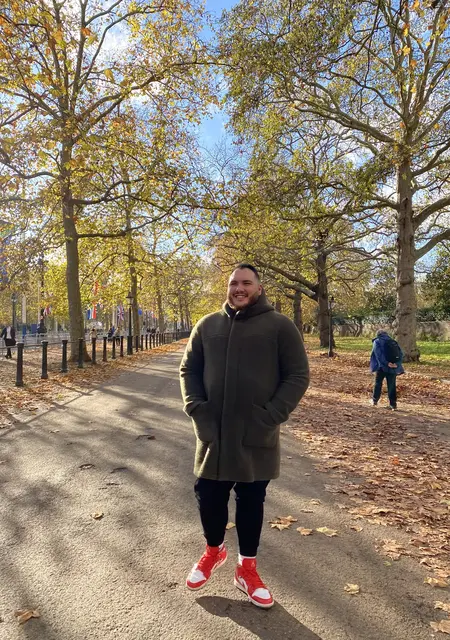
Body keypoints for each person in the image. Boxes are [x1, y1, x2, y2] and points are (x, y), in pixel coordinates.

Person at [179, 263, 310, 609]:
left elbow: (298, 375)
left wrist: (271, 415)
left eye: (246, 283)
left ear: (259, 288)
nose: (239, 288)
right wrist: (197, 409)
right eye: (234, 283)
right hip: (214, 432)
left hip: (257, 432)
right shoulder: (207, 325)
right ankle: (214, 551)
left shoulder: (280, 326)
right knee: (208, 494)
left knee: (251, 500)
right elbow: (189, 369)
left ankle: (246, 570)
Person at [370, 330, 404, 410]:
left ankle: (375, 400)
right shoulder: (393, 341)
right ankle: (393, 405)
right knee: (392, 385)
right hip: (393, 367)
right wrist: (397, 364)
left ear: (378, 335)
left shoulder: (377, 341)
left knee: (378, 383)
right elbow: (400, 353)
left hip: (382, 367)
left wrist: (386, 363)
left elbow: (378, 355)